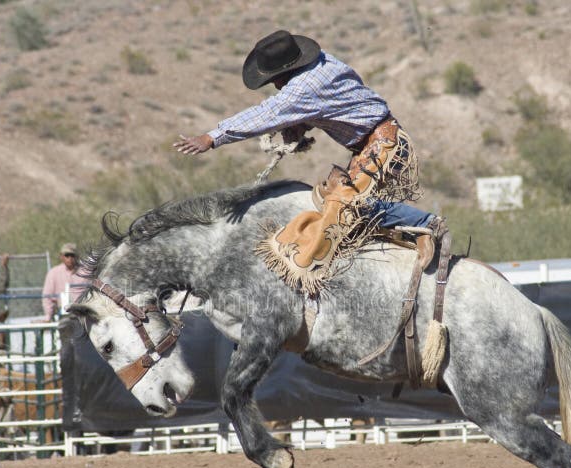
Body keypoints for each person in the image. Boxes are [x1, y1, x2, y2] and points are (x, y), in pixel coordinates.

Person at [174, 30, 444, 292]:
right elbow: (338, 100)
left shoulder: (303, 88)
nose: (277, 86)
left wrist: (212, 137)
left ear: (287, 71)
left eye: (276, 80)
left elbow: (265, 114)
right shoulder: (323, 61)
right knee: (336, 209)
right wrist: (304, 122)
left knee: (351, 206)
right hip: (375, 140)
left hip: (384, 146)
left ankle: (425, 224)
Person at [42, 243, 84, 321]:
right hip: (63, 314)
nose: (70, 258)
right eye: (67, 255)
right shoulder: (53, 273)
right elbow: (47, 297)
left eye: (72, 255)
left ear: (77, 256)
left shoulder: (85, 272)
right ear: (61, 256)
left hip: (83, 314)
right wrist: (48, 316)